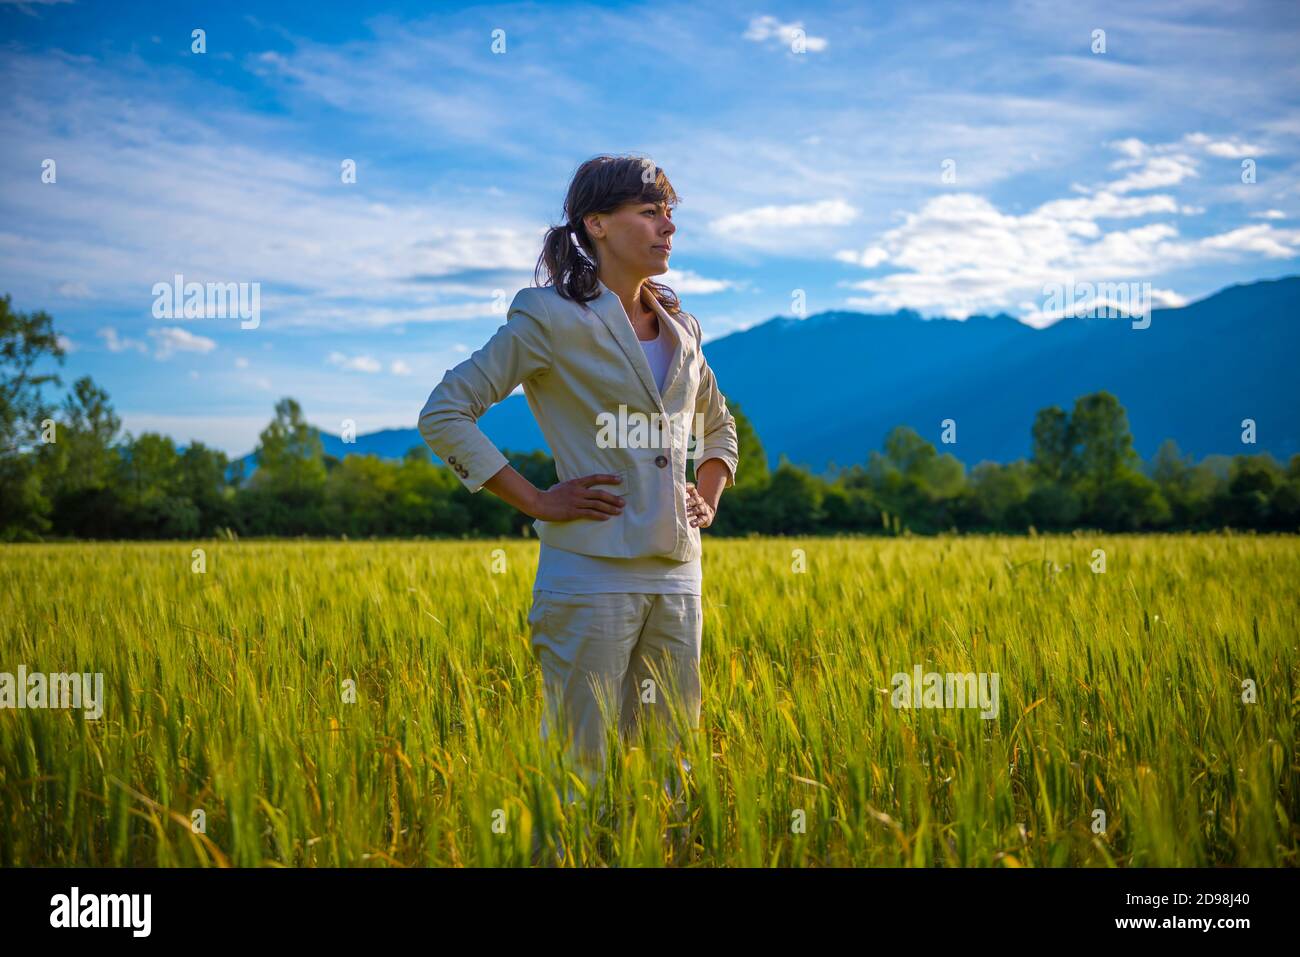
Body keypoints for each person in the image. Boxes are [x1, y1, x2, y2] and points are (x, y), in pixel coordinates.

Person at [418, 154, 739, 857]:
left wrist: (705, 495)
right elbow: (446, 412)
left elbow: (721, 425)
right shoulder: (549, 316)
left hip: (679, 578)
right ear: (596, 222)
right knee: (577, 773)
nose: (668, 225)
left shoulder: (683, 328)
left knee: (672, 772)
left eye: (669, 211)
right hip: (589, 575)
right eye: (650, 211)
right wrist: (535, 497)